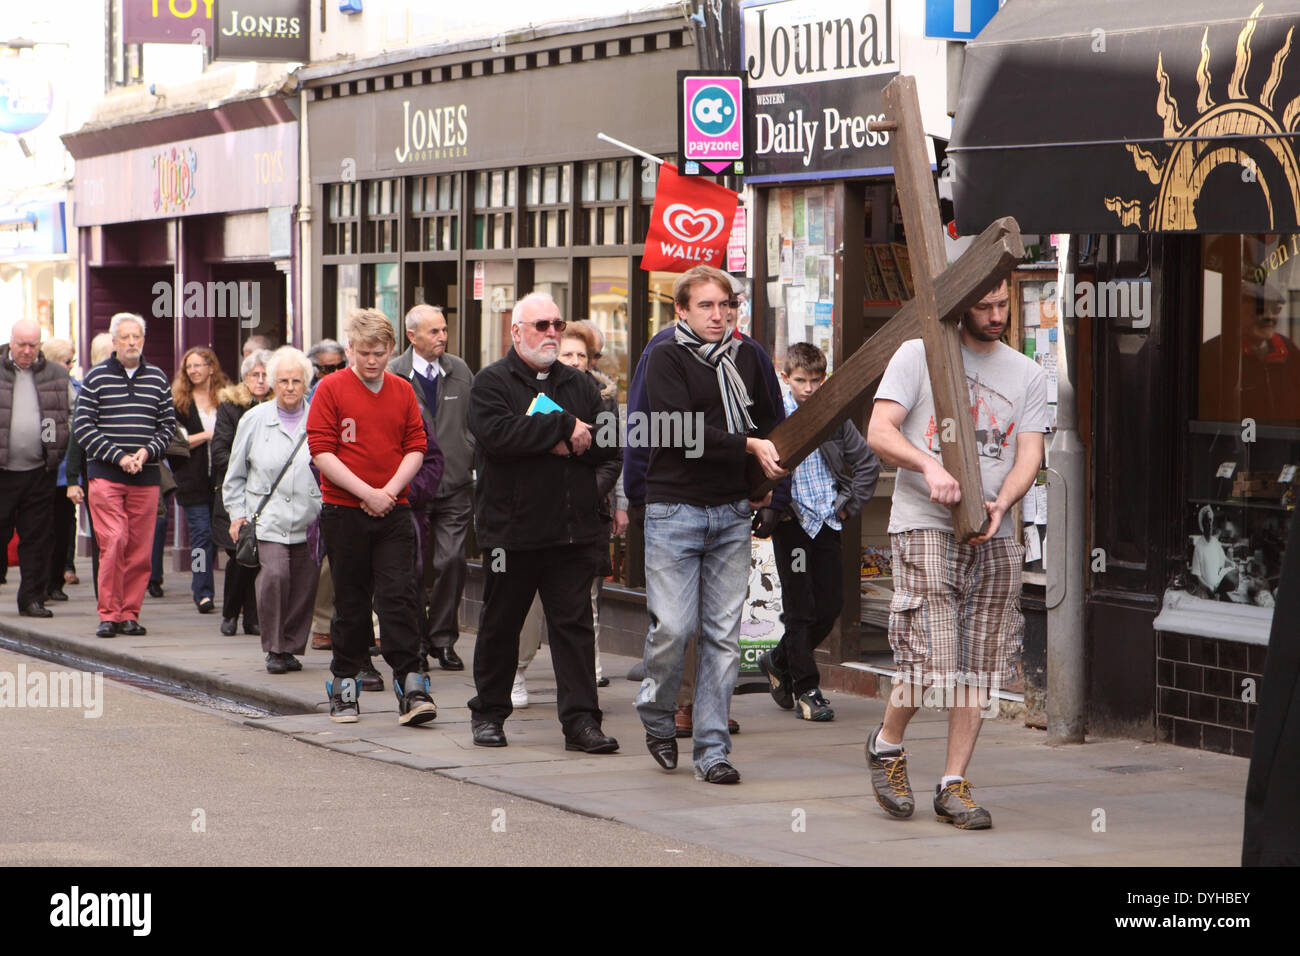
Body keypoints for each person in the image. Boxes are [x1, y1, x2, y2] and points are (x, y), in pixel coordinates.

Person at [864, 278, 1047, 829]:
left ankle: (953, 784)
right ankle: (887, 743)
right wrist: (929, 466)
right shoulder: (918, 353)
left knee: (982, 660)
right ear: (961, 306)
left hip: (995, 529)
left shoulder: (1027, 373)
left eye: (1002, 305)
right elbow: (878, 430)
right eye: (984, 306)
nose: (996, 315)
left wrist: (1004, 503)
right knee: (932, 657)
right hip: (925, 523)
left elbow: (1029, 453)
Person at [635, 265, 787, 784]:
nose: (718, 315)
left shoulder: (749, 356)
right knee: (675, 628)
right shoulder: (664, 355)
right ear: (681, 310)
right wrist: (748, 445)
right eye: (706, 306)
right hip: (674, 509)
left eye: (726, 305)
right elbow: (680, 432)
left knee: (724, 637)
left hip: (730, 510)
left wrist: (768, 485)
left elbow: (772, 422)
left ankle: (713, 750)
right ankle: (656, 713)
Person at [466, 292, 621, 753]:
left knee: (573, 629)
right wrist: (563, 429)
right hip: (511, 532)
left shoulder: (581, 383)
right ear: (517, 332)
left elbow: (608, 443)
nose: (552, 333)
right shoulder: (490, 383)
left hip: (572, 530)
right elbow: (498, 437)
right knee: (501, 623)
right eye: (541, 326)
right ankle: (489, 714)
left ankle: (581, 724)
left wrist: (563, 436)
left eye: (557, 324)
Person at [307, 309, 437, 726]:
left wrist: (390, 492)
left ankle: (411, 684)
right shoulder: (331, 388)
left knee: (400, 596)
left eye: (379, 353)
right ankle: (346, 685)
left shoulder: (401, 391)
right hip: (344, 511)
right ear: (350, 349)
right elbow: (321, 450)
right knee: (351, 601)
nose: (371, 361)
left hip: (394, 509)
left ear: (391, 350)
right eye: (363, 353)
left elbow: (417, 444)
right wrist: (366, 493)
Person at [758, 342, 879, 722]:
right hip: (793, 524)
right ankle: (807, 689)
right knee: (800, 610)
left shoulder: (834, 418)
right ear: (786, 378)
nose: (808, 388)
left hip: (827, 522)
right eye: (800, 380)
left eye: (814, 380)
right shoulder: (775, 417)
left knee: (830, 606)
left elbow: (867, 464)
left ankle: (778, 660)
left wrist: (847, 505)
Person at [511, 326, 621, 706]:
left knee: (583, 601)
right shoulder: (530, 392)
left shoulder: (603, 399)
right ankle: (518, 670)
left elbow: (611, 458)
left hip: (585, 514)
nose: (574, 362)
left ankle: (583, 678)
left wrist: (592, 494)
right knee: (526, 604)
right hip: (536, 513)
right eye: (567, 355)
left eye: (581, 356)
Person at [74, 313, 177, 638]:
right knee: (114, 540)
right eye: (126, 337)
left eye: (137, 337)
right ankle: (108, 613)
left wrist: (146, 453)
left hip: (146, 476)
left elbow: (168, 426)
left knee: (139, 549)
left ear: (142, 340)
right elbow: (83, 426)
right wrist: (118, 457)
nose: (132, 342)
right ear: (114, 341)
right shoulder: (96, 378)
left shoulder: (158, 378)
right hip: (106, 474)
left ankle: (130, 613)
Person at [388, 304, 475, 672]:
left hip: (455, 485)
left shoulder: (459, 371)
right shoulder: (394, 374)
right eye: (434, 331)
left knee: (451, 560)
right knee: (412, 568)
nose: (443, 337)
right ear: (412, 336)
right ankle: (417, 641)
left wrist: (469, 451)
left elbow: (473, 421)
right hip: (410, 489)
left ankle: (442, 639)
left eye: (444, 330)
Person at [224, 347, 321, 674]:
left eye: (297, 380)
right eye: (283, 380)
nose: (290, 387)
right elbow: (235, 473)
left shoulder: (320, 416)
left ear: (307, 383)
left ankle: (291, 647)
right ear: (272, 382)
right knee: (276, 577)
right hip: (267, 518)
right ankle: (275, 647)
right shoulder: (254, 419)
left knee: (305, 585)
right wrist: (237, 513)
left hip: (311, 518)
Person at [0, 319, 73, 617]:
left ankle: (31, 598)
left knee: (37, 538)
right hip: (2, 471)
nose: (27, 351)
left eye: (33, 345)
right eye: (22, 345)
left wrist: (50, 449)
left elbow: (60, 417)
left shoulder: (55, 374)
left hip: (39, 471)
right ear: (11, 342)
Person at [211, 348, 272, 635]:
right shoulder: (231, 407)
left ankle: (253, 618)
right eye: (254, 375)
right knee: (239, 555)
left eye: (265, 375)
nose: (260, 380)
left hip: (269, 496)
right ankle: (230, 613)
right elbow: (220, 451)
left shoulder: (279, 406)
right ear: (244, 378)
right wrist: (250, 465)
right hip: (236, 492)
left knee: (260, 557)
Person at [171, 346, 229, 615]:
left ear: (211, 367)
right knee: (200, 535)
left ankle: (235, 595)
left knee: (223, 537)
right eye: (189, 367)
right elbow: (174, 441)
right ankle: (202, 592)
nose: (193, 371)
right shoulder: (179, 402)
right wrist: (207, 436)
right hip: (191, 479)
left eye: (198, 365)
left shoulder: (226, 398)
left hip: (222, 481)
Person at [64, 333, 113, 597]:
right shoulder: (93, 388)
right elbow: (77, 437)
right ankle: (105, 595)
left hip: (131, 472)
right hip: (98, 472)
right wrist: (73, 479)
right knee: (104, 538)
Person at [306, 338, 346, 653]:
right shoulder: (313, 396)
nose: (331, 372)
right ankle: (322, 624)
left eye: (337, 366)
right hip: (321, 487)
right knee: (327, 563)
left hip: (361, 487)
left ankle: (371, 629)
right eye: (325, 368)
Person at [38, 338, 78, 602]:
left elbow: (78, 420)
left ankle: (55, 582)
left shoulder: (74, 387)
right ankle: (42, 583)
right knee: (43, 529)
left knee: (63, 527)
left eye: (71, 361)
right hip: (42, 469)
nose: (70, 367)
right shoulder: (38, 385)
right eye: (66, 362)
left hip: (66, 470)